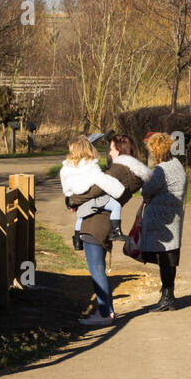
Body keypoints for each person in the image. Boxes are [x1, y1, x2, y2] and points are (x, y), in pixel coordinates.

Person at [58, 136, 127, 327]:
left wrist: (71, 201)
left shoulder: (74, 172)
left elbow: (73, 196)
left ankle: (104, 313)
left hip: (92, 227)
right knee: (99, 269)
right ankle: (108, 310)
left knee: (97, 271)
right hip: (102, 224)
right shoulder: (94, 170)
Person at [139, 132, 187, 311]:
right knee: (170, 258)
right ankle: (168, 295)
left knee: (165, 259)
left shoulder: (161, 170)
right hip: (173, 217)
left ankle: (168, 297)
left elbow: (146, 190)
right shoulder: (177, 165)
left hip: (162, 220)